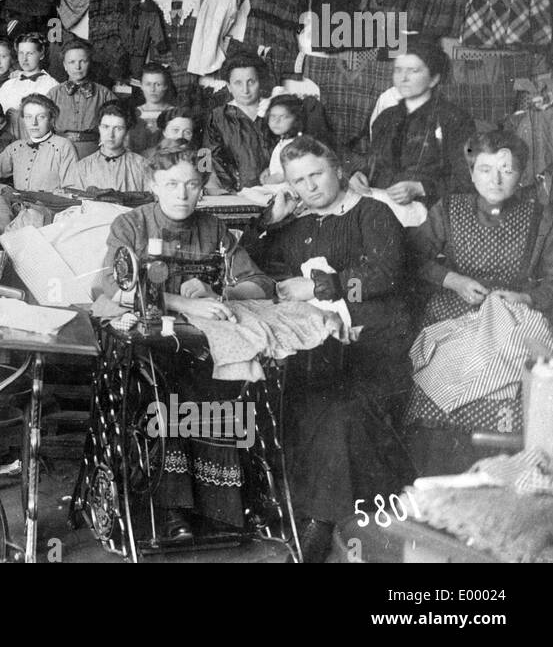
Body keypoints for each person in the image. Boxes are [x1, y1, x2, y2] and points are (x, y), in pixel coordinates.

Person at [250, 135, 416, 562]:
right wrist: (269, 222)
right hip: (314, 346)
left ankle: (319, 525)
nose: (309, 187)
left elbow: (384, 276)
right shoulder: (297, 227)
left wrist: (324, 285)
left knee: (336, 408)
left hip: (372, 343)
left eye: (316, 174)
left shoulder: (371, 213)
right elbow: (254, 273)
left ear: (338, 169)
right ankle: (306, 516)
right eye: (298, 180)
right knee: (297, 398)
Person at [103, 146, 276, 539]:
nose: (182, 194)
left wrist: (218, 293)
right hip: (144, 345)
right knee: (163, 390)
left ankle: (220, 509)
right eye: (172, 184)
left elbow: (259, 283)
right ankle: (173, 511)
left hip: (200, 344)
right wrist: (180, 301)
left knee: (222, 386)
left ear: (202, 189)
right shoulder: (130, 224)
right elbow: (112, 286)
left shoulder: (213, 228)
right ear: (153, 186)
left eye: (192, 185)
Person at [405, 130, 553, 476]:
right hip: (456, 312)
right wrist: (453, 280)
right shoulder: (449, 208)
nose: (496, 179)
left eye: (507, 169)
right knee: (444, 380)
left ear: (522, 175)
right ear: (471, 172)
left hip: (515, 314)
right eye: (485, 169)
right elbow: (411, 258)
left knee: (521, 384)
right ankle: (439, 488)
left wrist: (526, 297)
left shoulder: (541, 216)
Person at [351, 37, 475, 207]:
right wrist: (360, 175)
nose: (403, 78)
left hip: (430, 213)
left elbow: (468, 180)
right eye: (398, 70)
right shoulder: (385, 118)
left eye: (413, 71)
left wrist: (421, 188)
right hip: (379, 208)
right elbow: (375, 166)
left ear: (434, 79)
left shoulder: (455, 120)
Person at [0, 93, 78, 195]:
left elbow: (72, 187)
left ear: (51, 119)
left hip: (52, 207)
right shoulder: (16, 147)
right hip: (19, 206)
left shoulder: (63, 146)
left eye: (41, 117)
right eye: (28, 117)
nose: (34, 123)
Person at [205, 53, 270, 192]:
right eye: (238, 83)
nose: (245, 90)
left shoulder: (274, 111)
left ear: (260, 82)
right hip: (235, 193)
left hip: (276, 189)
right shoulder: (218, 117)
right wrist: (208, 184)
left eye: (251, 82)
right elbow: (204, 155)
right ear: (229, 86)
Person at [48, 40, 112, 158]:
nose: (77, 67)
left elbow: (116, 124)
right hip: (60, 151)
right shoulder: (53, 94)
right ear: (65, 65)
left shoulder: (104, 94)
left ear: (89, 63)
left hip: (94, 151)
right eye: (72, 62)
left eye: (82, 61)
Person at [70, 101, 148, 191]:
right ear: (99, 128)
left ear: (127, 131)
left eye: (118, 128)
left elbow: (154, 202)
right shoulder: (82, 167)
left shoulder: (142, 166)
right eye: (105, 127)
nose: (110, 135)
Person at [0, 33, 59, 140]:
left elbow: (55, 122)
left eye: (30, 53)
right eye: (21, 53)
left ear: (41, 54)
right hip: (9, 144)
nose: (24, 59)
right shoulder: (8, 85)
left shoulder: (52, 85)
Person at [125, 62, 179, 155]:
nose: (152, 89)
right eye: (148, 84)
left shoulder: (176, 114)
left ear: (166, 86)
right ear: (141, 85)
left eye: (158, 84)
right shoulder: (132, 114)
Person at [259, 94, 305, 185]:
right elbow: (280, 166)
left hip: (286, 189)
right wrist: (269, 170)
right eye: (273, 116)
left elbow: (284, 175)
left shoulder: (294, 145)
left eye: (283, 117)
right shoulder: (282, 141)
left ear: (296, 120)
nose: (276, 121)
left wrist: (267, 181)